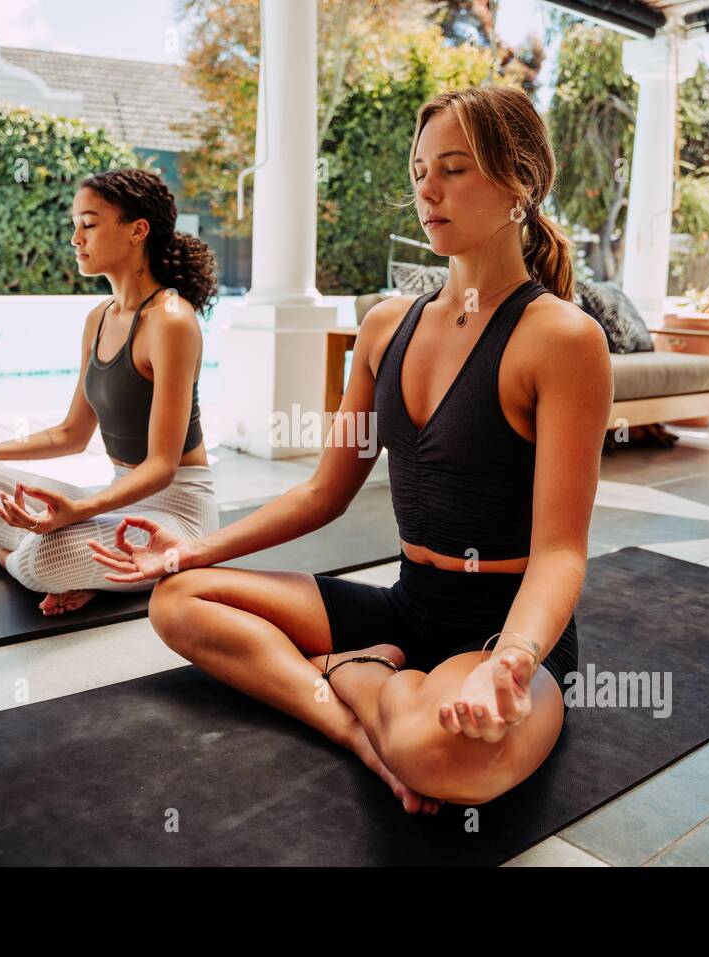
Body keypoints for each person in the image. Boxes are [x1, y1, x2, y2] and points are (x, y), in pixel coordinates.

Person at [92, 87, 612, 812]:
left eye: (453, 169)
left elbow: (560, 551)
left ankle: (357, 677)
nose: (427, 190)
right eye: (420, 172)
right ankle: (354, 717)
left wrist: (513, 661)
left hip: (505, 628)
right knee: (179, 599)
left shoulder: (562, 339)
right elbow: (323, 493)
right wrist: (187, 551)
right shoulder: (385, 327)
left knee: (447, 760)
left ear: (520, 182)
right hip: (408, 604)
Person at [0, 168, 220, 617]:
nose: (76, 239)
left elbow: (161, 466)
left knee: (44, 558)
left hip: (176, 517)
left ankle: (19, 554)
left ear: (138, 230)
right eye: (75, 225)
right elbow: (72, 434)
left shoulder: (171, 320)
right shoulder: (99, 318)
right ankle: (79, 567)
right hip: (120, 503)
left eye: (89, 224)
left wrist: (78, 510)